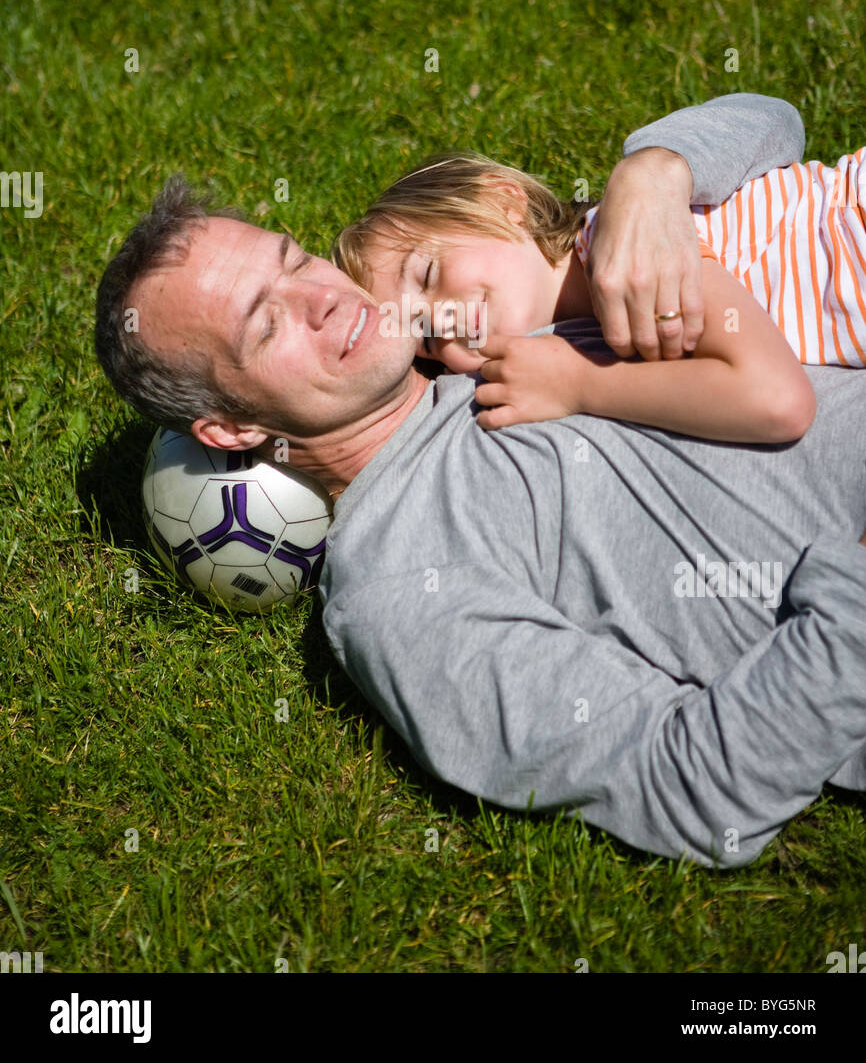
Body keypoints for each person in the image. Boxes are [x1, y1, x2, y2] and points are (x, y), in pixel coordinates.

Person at [93, 93, 866, 867]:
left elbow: (773, 124)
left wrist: (654, 174)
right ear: (232, 430)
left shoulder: (506, 305)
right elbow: (694, 789)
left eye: (295, 260)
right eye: (266, 324)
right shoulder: (401, 586)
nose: (321, 300)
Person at [333, 105, 866, 441]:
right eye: (423, 335)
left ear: (501, 203)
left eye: (426, 274)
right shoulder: (593, 336)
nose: (442, 320)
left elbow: (777, 402)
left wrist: (579, 385)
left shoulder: (619, 245)